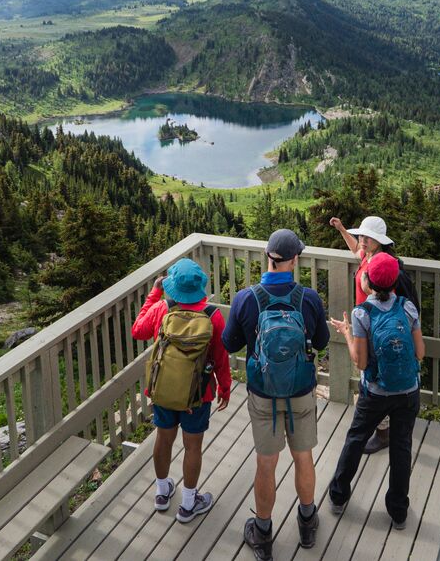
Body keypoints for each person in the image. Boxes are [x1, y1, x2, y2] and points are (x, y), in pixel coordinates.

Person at [222, 229, 330, 560]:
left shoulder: (246, 297)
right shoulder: (308, 298)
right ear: (294, 259)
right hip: (300, 389)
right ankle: (308, 521)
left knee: (266, 462)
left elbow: (230, 344)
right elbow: (322, 341)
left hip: (263, 392)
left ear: (268, 257)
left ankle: (264, 531)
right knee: (303, 456)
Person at [326, 254, 424, 530]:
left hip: (376, 392)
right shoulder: (408, 308)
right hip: (408, 391)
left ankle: (338, 495)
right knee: (401, 447)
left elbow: (361, 362)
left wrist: (346, 332)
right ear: (395, 283)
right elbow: (420, 352)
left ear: (367, 282)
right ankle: (398, 512)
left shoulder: (362, 314)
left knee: (356, 437)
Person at [132, 257, 231, 523]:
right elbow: (221, 358)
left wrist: (154, 293)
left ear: (171, 286)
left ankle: (162, 492)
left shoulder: (162, 308)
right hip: (198, 395)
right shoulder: (213, 316)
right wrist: (225, 387)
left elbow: (138, 330)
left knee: (163, 439)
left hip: (163, 390)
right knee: (192, 446)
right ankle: (188, 503)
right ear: (200, 287)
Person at [328, 214, 417, 454]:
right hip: (366, 324)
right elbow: (356, 249)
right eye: (362, 236)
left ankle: (382, 432)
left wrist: (368, 296)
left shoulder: (382, 264)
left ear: (379, 241)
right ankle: (384, 428)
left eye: (368, 237)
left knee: (373, 375)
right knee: (372, 374)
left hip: (376, 327)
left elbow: (388, 298)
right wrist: (342, 229)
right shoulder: (369, 255)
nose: (362, 241)